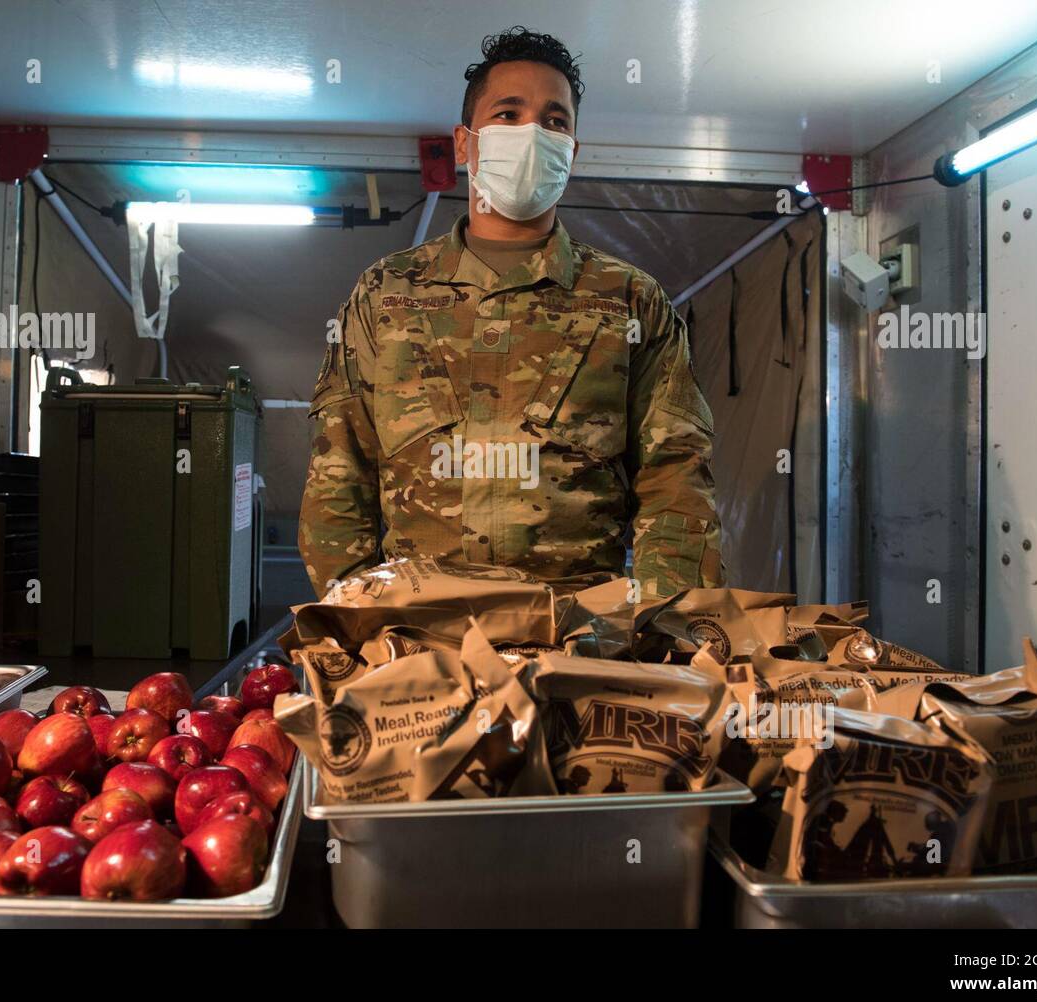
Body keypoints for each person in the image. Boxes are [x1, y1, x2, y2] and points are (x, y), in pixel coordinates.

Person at [300, 27, 723, 598]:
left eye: (555, 121)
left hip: (577, 639)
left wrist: (658, 627)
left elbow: (676, 482)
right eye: (507, 113)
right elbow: (340, 470)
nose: (533, 132)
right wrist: (353, 619)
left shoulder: (629, 301)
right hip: (418, 636)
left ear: (572, 150)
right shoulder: (386, 294)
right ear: (465, 142)